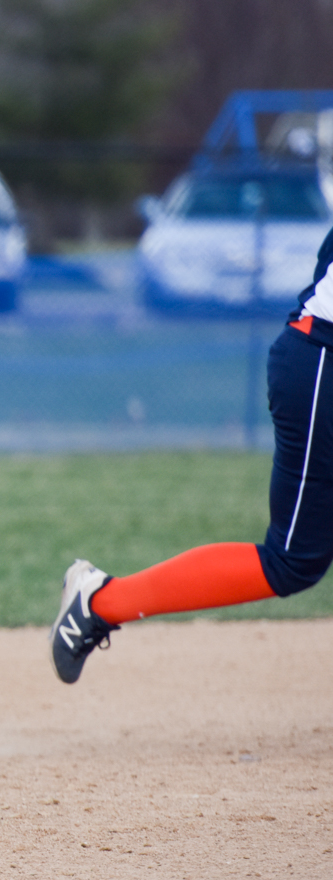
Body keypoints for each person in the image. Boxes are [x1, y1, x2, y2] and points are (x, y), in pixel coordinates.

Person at [51, 213, 333, 684]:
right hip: (323, 362)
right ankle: (100, 603)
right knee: (292, 559)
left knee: (296, 561)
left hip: (315, 356)